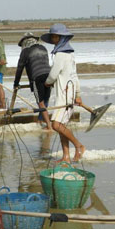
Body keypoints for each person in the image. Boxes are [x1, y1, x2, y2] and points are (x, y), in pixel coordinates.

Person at [42, 22, 86, 163]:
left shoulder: (61, 55)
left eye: (54, 37)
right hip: (69, 93)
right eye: (52, 37)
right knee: (62, 126)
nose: (52, 39)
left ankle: (78, 145)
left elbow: (53, 74)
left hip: (64, 95)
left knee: (56, 125)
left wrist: (47, 82)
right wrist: (77, 95)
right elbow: (75, 76)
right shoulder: (70, 55)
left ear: (60, 37)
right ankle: (65, 156)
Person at [13, 32, 52, 129]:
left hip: (37, 77)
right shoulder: (43, 48)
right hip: (49, 75)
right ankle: (40, 120)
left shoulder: (25, 51)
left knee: (40, 102)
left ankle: (49, 126)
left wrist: (16, 83)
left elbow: (20, 68)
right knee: (45, 100)